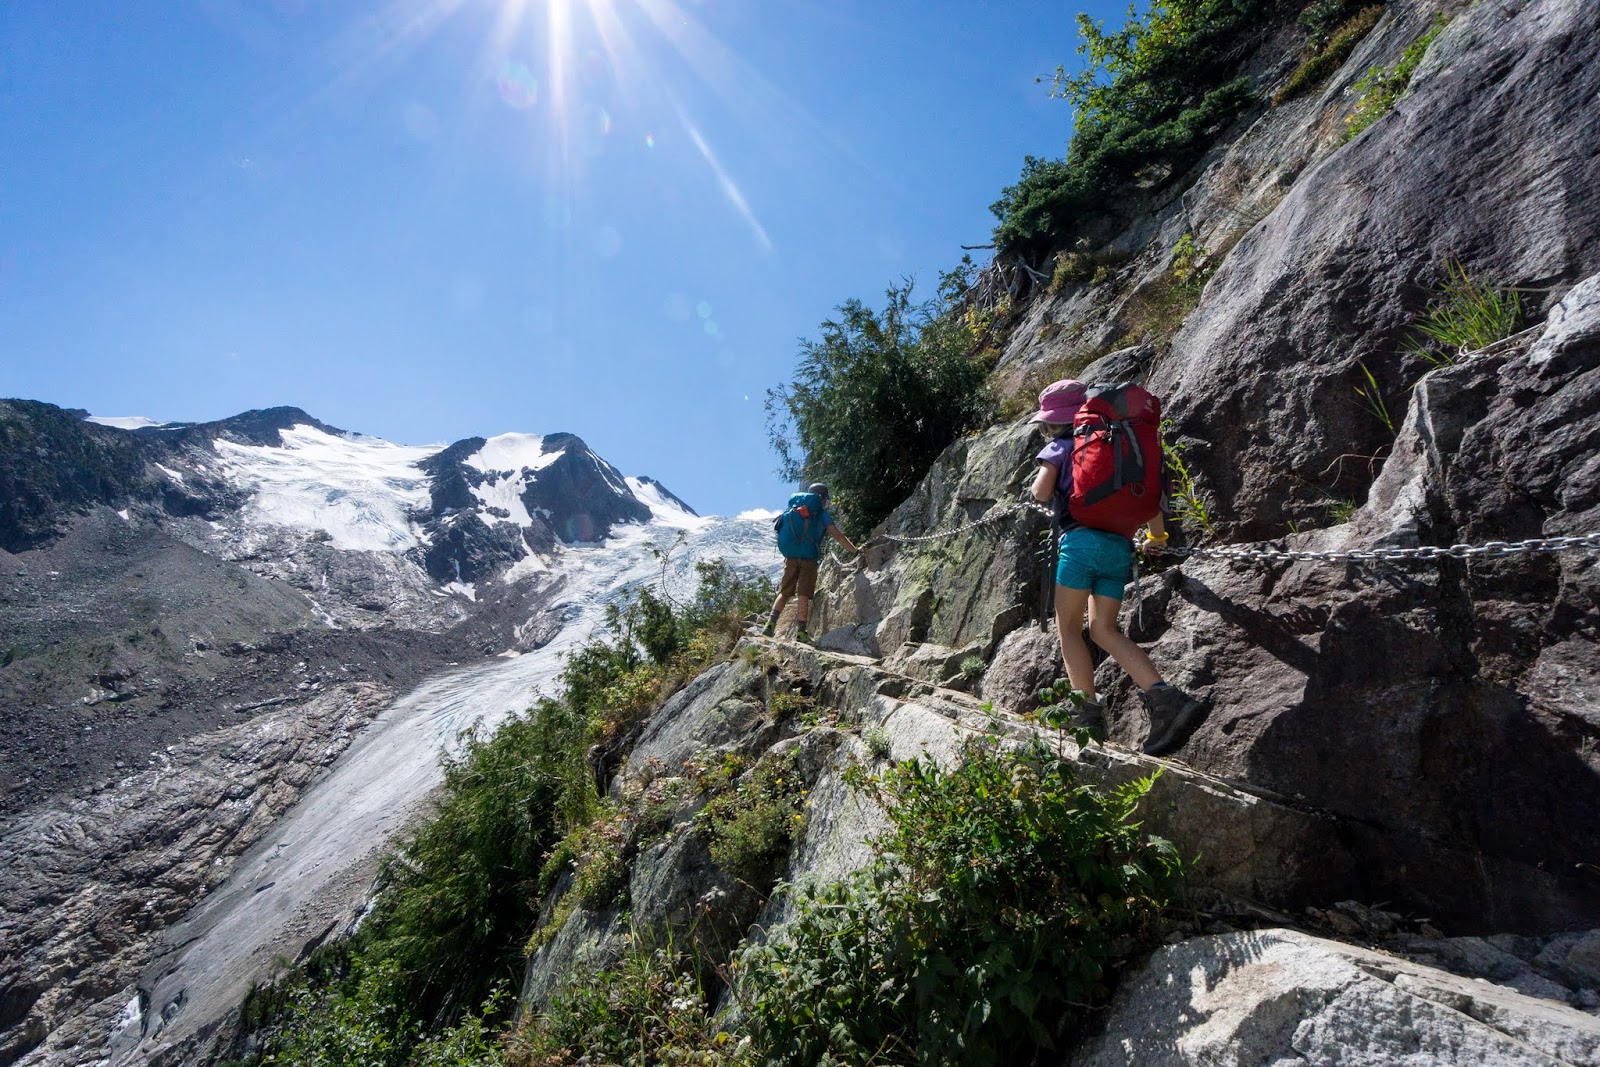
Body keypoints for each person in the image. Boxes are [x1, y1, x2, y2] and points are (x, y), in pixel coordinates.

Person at [1028, 379, 1205, 756]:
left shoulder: (1062, 445)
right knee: (1104, 629)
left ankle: (1086, 713)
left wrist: (1046, 478)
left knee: (1070, 631)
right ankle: (1165, 699)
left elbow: (1040, 493)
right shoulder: (1116, 443)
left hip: (1078, 545)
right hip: (1119, 548)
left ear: (1051, 421)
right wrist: (1155, 540)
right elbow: (1153, 505)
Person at [762, 482, 859, 644]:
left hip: (791, 557)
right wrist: (855, 550)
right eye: (826, 499)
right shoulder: (820, 513)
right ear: (822, 499)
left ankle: (769, 625)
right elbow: (838, 536)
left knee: (785, 593)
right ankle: (801, 632)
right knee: (804, 594)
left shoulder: (793, 509)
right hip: (809, 559)